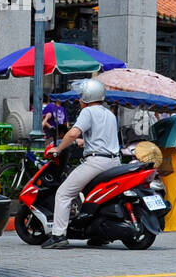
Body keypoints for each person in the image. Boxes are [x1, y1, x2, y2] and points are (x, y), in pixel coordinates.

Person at [42, 79, 120, 249]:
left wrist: (58, 148)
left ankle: (58, 236)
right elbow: (101, 140)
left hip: (96, 162)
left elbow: (73, 132)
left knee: (63, 193)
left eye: (80, 96)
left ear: (86, 97)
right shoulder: (109, 114)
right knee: (98, 197)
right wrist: (79, 142)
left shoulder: (88, 112)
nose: (79, 99)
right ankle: (99, 234)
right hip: (114, 161)